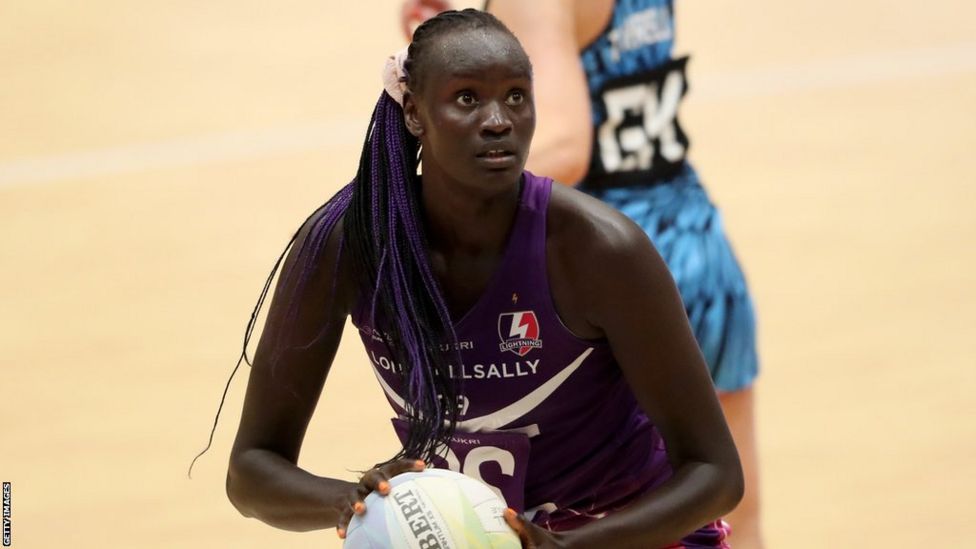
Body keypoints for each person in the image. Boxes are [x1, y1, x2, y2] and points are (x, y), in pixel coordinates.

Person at [225, 9, 742, 548]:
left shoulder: (599, 250)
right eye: (468, 98)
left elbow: (716, 474)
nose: (499, 120)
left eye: (516, 96)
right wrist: (349, 502)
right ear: (414, 113)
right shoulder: (347, 244)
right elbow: (251, 471)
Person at [400, 1, 765, 547]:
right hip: (694, 244)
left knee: (560, 521)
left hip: (602, 282)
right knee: (725, 513)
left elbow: (565, 145)